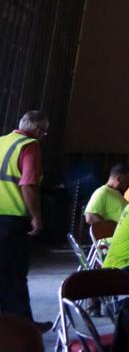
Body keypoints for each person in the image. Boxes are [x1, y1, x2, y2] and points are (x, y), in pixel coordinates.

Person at [0, 111, 49, 328]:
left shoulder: (2, 142)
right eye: (44, 132)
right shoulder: (29, 146)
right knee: (14, 275)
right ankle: (22, 327)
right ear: (38, 130)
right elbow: (28, 184)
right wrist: (36, 216)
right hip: (12, 221)